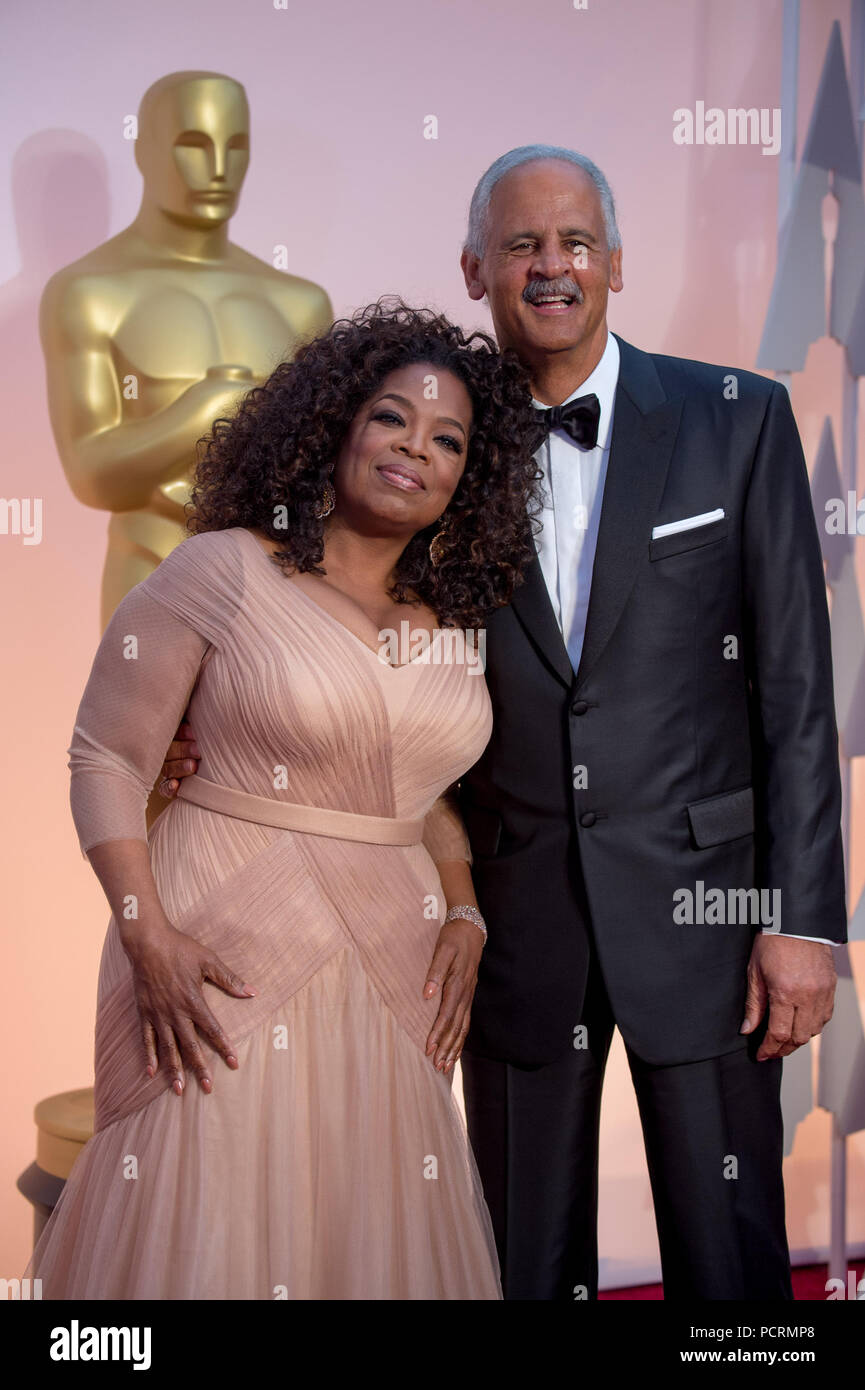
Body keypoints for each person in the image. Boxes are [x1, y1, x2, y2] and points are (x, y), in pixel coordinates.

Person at [156, 146, 848, 1302]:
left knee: (728, 1261)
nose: (551, 266)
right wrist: (203, 718)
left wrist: (804, 921)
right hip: (506, 924)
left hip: (708, 918)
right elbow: (323, 608)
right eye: (521, 244)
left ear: (616, 262)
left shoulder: (741, 421)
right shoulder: (434, 453)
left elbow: (796, 693)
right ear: (474, 266)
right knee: (520, 1260)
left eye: (574, 241)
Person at [24, 300, 542, 1299]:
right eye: (392, 417)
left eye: (447, 439)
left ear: (465, 477)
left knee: (363, 1237)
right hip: (215, 960)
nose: (415, 450)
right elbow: (105, 758)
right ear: (336, 423)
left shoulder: (449, 620)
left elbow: (417, 792)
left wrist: (466, 906)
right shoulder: (220, 568)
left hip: (395, 974)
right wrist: (146, 936)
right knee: (206, 1229)